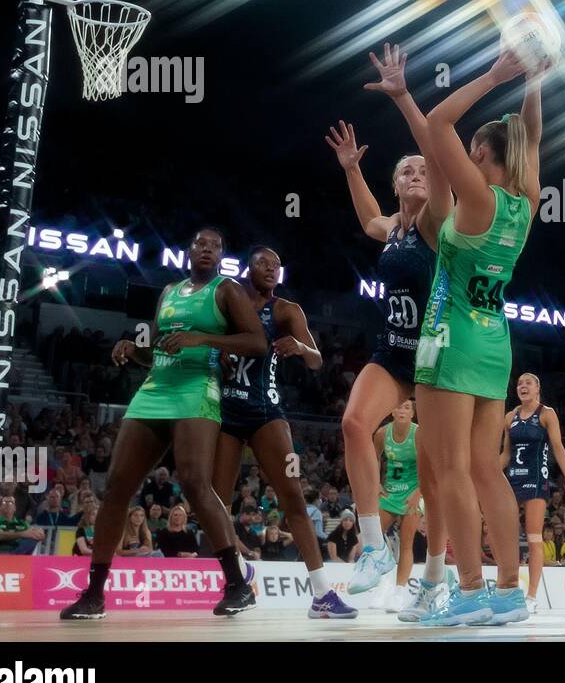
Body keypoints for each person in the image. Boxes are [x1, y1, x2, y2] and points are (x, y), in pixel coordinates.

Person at [60, 228, 260, 620]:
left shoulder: (227, 291)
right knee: (117, 485)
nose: (207, 249)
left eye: (215, 246)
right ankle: (94, 594)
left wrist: (201, 338)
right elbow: (159, 349)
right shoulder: (169, 292)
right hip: (155, 390)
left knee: (194, 484)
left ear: (221, 254)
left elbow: (256, 342)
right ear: (189, 250)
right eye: (200, 243)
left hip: (197, 388)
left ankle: (238, 585)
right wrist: (133, 349)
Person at [413, 44, 548, 626]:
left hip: (448, 338)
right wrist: (534, 82)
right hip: (496, 343)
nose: (464, 154)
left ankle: (468, 589)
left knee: (449, 472)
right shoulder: (526, 201)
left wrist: (496, 76)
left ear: (483, 155)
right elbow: (532, 140)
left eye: (473, 152)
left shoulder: (477, 199)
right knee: (486, 469)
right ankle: (509, 590)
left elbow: (439, 121)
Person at [326, 45, 450, 619]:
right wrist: (352, 168)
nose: (418, 174)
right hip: (391, 350)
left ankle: (433, 576)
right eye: (408, 171)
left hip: (436, 356)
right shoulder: (393, 228)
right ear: (397, 183)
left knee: (434, 471)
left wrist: (403, 94)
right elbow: (367, 218)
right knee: (353, 423)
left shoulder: (434, 221)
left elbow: (435, 150)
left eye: (423, 170)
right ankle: (373, 547)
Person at [210, 245, 355, 619]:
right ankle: (238, 581)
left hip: (267, 415)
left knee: (293, 495)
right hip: (225, 413)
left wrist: (301, 345)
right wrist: (217, 356)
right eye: (263, 263)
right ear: (248, 267)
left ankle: (322, 594)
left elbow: (317, 360)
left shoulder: (286, 310)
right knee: (215, 503)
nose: (271, 269)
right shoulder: (227, 301)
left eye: (276, 265)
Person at [500, 372, 565, 614]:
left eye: (528, 383)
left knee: (533, 538)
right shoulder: (509, 416)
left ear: (537, 388)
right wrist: (486, 473)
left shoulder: (546, 413)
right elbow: (506, 455)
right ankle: (507, 589)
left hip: (535, 480)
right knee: (506, 537)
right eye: (520, 383)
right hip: (513, 480)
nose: (522, 386)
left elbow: (557, 446)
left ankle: (531, 595)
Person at [372, 399, 423, 613]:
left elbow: (429, 466)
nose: (402, 411)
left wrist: (418, 493)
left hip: (414, 491)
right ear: (391, 410)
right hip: (390, 492)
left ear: (413, 413)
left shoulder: (419, 433)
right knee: (374, 537)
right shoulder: (382, 434)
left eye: (406, 408)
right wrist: (376, 482)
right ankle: (383, 583)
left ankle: (400, 592)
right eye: (398, 407)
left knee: (406, 543)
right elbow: (372, 458)